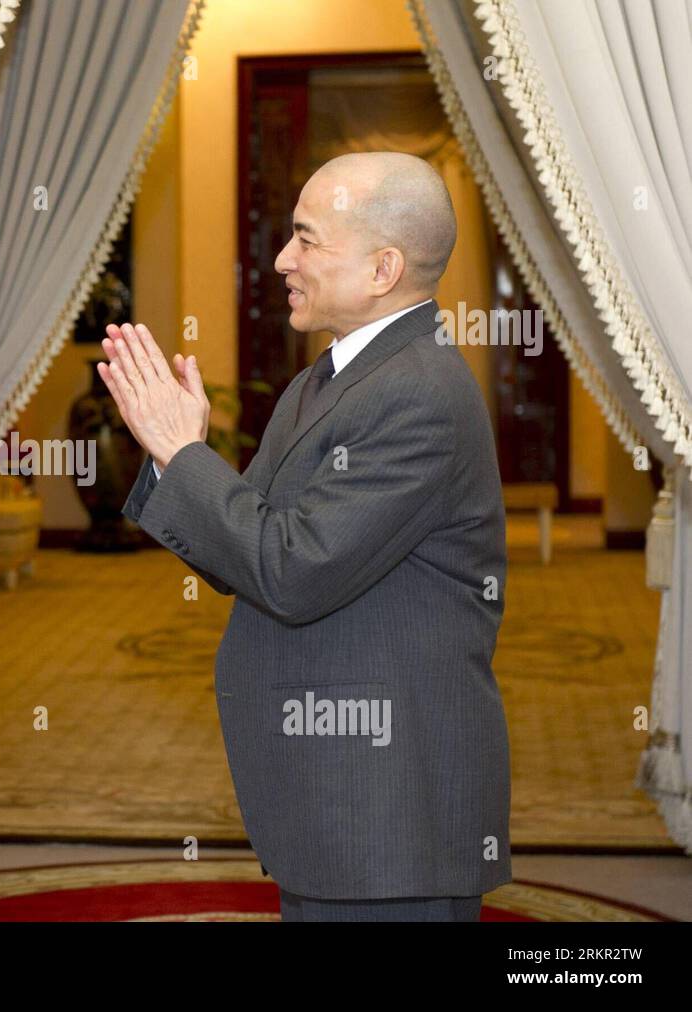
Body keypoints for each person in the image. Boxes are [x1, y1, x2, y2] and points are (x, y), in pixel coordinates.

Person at [101, 151, 511, 922]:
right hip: (340, 798)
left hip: (388, 812)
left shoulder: (414, 395)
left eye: (307, 239)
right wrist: (178, 454)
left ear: (383, 267)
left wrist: (184, 455)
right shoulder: (331, 375)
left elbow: (290, 572)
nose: (283, 259)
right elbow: (249, 550)